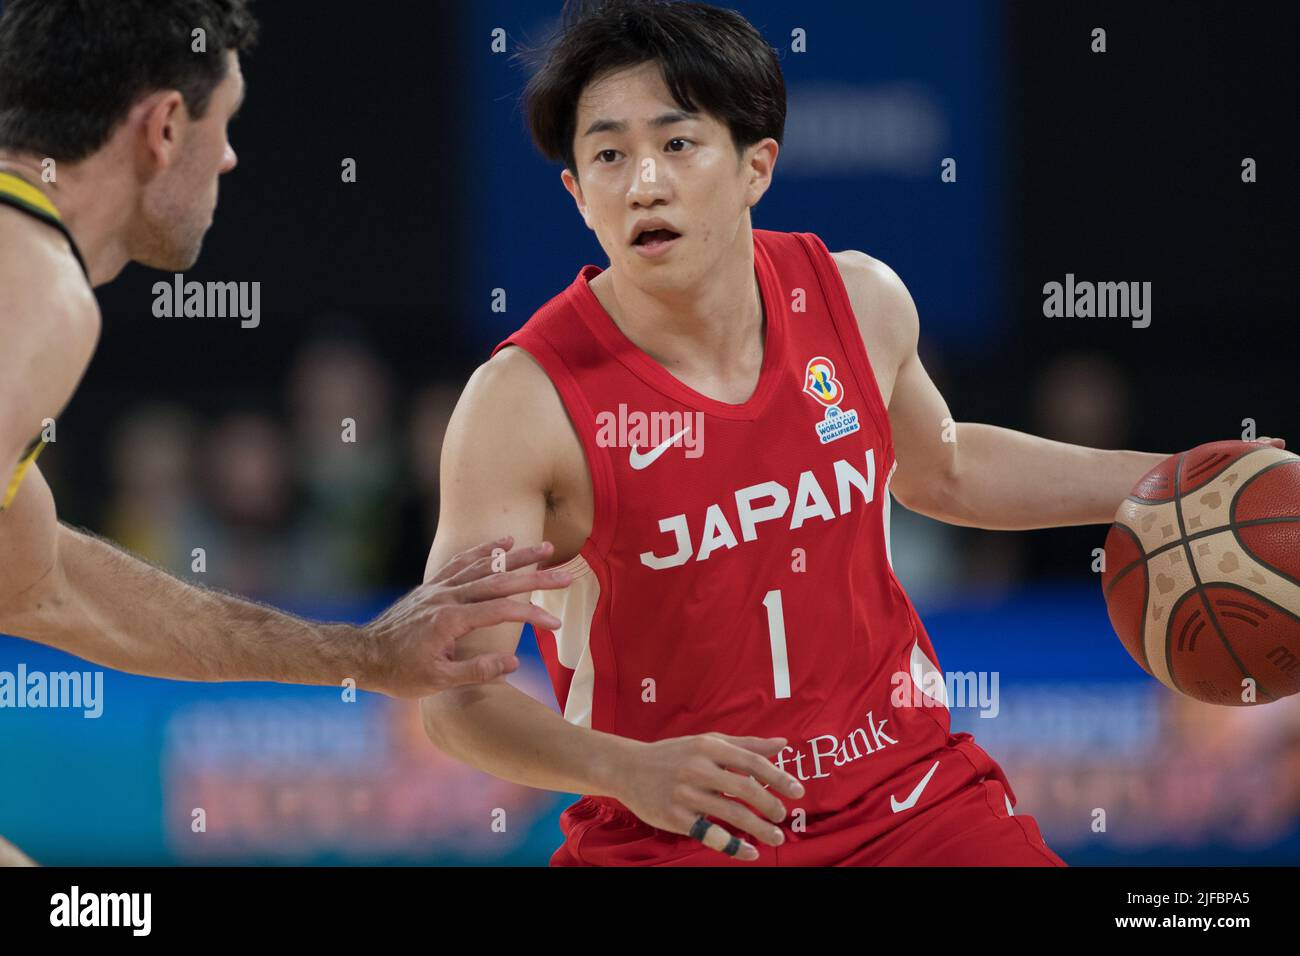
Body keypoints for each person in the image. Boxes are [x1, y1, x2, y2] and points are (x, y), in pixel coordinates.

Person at [418, 0, 1282, 865]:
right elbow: (452, 700)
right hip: (676, 834)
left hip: (910, 800)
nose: (644, 180)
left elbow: (941, 467)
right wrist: (628, 769)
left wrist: (1185, 479)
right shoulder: (522, 403)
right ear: (576, 191)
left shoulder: (856, 299)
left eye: (678, 143)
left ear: (756, 165)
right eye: (608, 154)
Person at [0, 0, 568, 864]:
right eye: (224, 124)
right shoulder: (38, 283)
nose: (229, 156)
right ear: (162, 128)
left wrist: (365, 656)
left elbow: (41, 585)